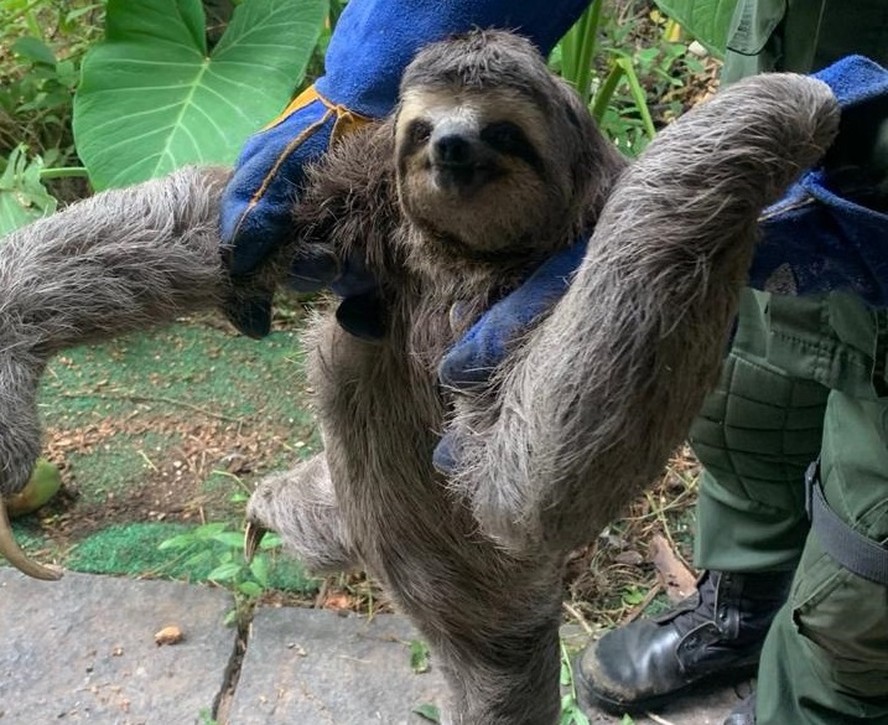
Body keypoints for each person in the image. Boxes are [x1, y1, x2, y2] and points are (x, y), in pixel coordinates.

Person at [220, 1, 888, 723]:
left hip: (504, 556)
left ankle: (813, 699)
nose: (450, 145)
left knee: (865, 554)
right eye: (425, 131)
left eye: (503, 135)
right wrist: (382, 57)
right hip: (800, 39)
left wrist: (686, 221)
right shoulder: (376, 200)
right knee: (756, 394)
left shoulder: (616, 213)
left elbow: (524, 502)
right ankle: (742, 603)